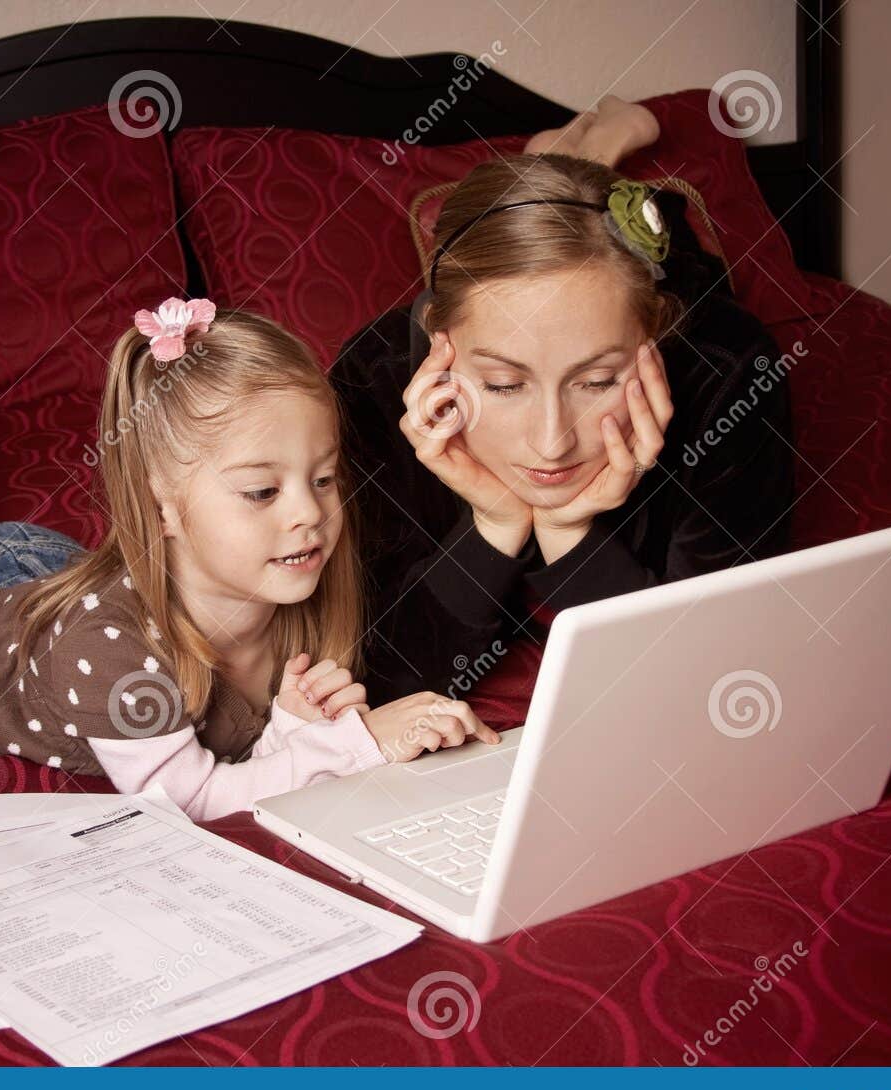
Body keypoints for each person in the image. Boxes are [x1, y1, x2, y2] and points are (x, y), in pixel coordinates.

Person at [0, 300, 498, 820]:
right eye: (262, 491)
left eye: (324, 479)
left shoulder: (293, 589)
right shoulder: (113, 655)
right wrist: (356, 742)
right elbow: (192, 799)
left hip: (38, 572)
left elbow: (254, 754)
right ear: (161, 506)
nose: (310, 512)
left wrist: (291, 727)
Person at [326, 114, 795, 704]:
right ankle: (575, 161)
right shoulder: (376, 377)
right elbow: (384, 676)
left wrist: (568, 532)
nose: (553, 444)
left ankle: (585, 164)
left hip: (672, 303)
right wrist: (494, 524)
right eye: (501, 384)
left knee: (669, 263)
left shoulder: (728, 374)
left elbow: (713, 680)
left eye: (596, 380)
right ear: (438, 341)